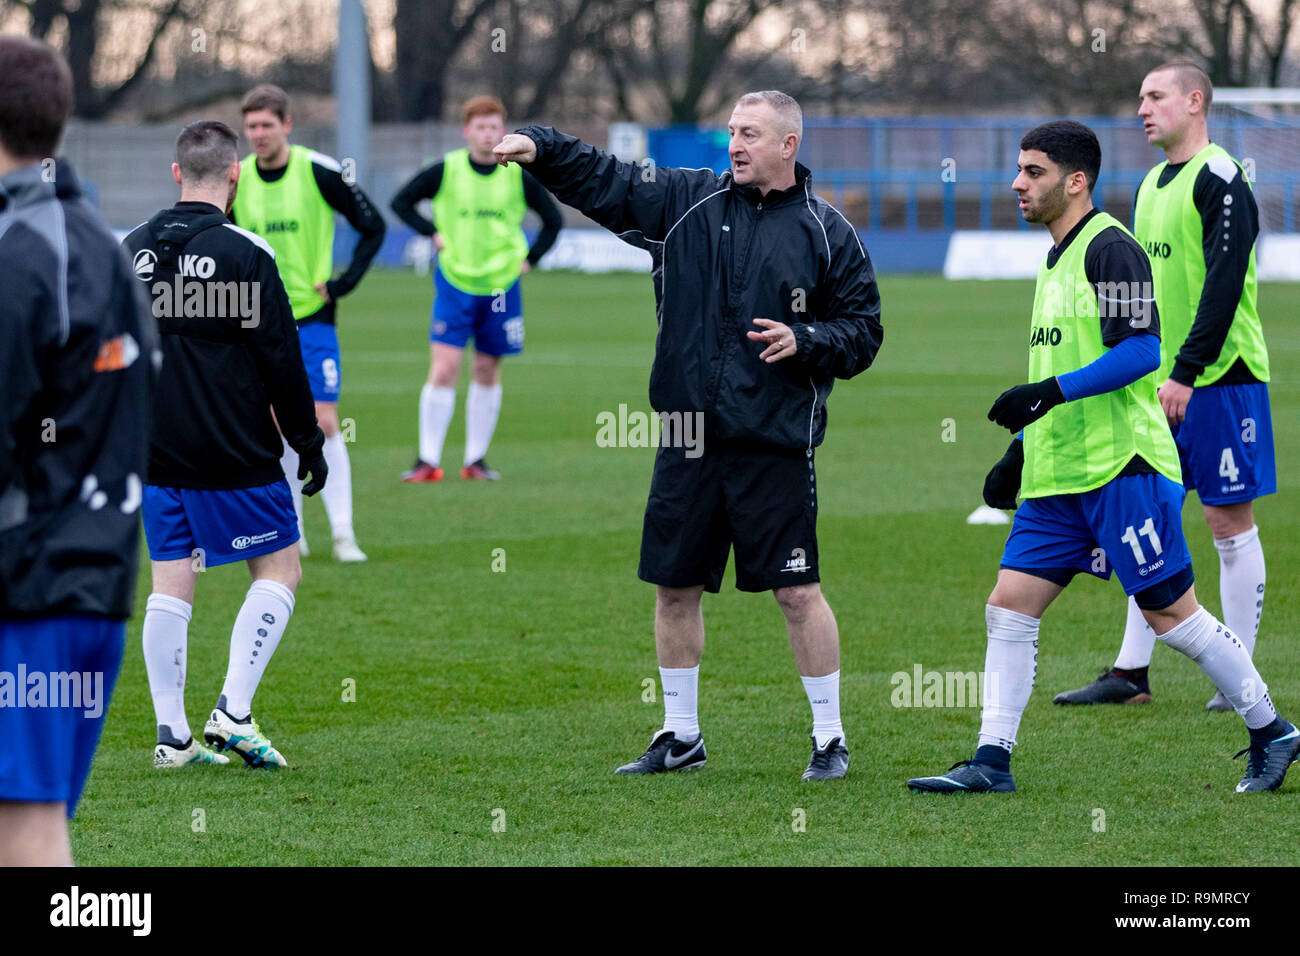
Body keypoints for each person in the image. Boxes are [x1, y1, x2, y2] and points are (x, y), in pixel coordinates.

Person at [494, 91, 883, 781]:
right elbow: (604, 177)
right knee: (674, 588)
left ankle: (830, 738)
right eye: (731, 131)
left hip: (774, 440)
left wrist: (809, 338)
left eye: (751, 134)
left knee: (797, 592)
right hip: (688, 437)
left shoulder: (828, 232)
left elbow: (863, 331)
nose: (735, 144)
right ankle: (681, 735)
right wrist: (541, 147)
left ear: (789, 145)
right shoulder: (683, 204)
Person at [907, 120, 1297, 795]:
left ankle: (1272, 731)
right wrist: (1022, 449)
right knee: (1009, 606)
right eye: (1019, 170)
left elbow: (1142, 350)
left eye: (1032, 171)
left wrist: (1046, 394)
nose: (1017, 183)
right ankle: (991, 762)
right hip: (1059, 476)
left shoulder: (1110, 248)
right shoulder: (1056, 256)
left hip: (1124, 470)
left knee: (1172, 617)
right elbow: (1062, 363)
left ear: (1075, 180)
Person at [1055, 62, 1275, 710]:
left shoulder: (1223, 178)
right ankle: (1130, 672)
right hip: (1159, 384)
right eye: (1140, 96)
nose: (1143, 107)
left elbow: (1225, 284)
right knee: (1143, 511)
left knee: (1226, 519)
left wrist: (1187, 371)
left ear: (1195, 101)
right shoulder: (1150, 183)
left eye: (1156, 95)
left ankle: (1241, 677)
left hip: (1220, 377)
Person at [123, 120, 328, 770]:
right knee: (281, 568)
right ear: (234, 175)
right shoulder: (246, 253)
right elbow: (282, 362)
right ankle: (232, 713)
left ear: (178, 173)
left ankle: (171, 736)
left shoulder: (130, 250)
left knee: (170, 582)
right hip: (233, 452)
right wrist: (307, 442)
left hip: (155, 452)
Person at [0, 36, 157, 864]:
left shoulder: (19, 254)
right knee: (36, 825)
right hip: (93, 586)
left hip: (29, 592)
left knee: (24, 829)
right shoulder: (106, 246)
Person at [231, 84, 384, 562]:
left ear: (286, 125)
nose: (257, 134)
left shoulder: (319, 172)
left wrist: (342, 283)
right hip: (258, 324)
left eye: (266, 125)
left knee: (323, 421)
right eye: (251, 126)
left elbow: (372, 225)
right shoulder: (236, 179)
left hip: (313, 318)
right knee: (276, 427)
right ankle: (293, 532)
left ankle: (344, 533)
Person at [391, 95, 562, 483]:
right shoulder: (446, 170)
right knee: (446, 368)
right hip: (456, 283)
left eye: (494, 127)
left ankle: (475, 460)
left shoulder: (519, 174)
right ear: (467, 131)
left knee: (486, 369)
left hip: (502, 288)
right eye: (480, 127)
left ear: (503, 131)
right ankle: (428, 461)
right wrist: (430, 233)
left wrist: (530, 259)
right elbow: (400, 202)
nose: (487, 134)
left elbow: (553, 220)